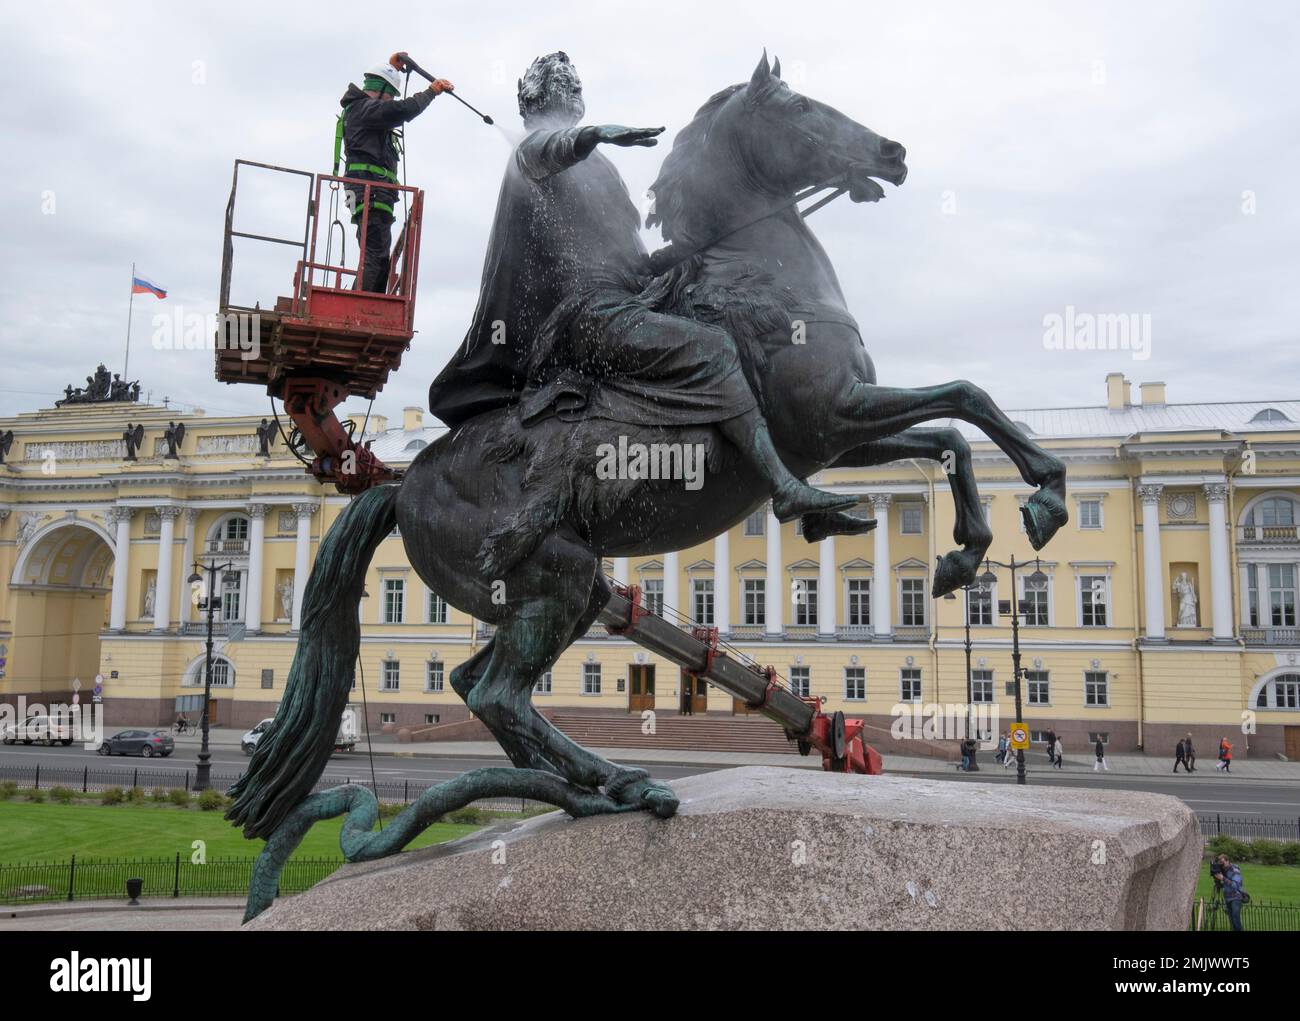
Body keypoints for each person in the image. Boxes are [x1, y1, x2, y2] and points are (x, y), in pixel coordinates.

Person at [425, 51, 855, 536]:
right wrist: (591, 136)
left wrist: (677, 256)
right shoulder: (536, 153)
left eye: (576, 86)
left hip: (629, 298)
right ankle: (783, 487)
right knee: (712, 349)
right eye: (562, 88)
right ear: (539, 101)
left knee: (726, 319)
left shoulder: (598, 167)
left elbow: (628, 257)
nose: (573, 95)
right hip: (588, 314)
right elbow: (539, 154)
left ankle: (792, 470)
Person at [338, 57, 454, 292]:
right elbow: (401, 110)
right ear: (380, 91)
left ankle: (363, 303)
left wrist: (391, 66)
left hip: (373, 194)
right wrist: (431, 92)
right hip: (369, 193)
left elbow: (391, 109)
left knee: (377, 258)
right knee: (375, 257)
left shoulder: (363, 110)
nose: (391, 100)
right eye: (390, 95)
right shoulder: (364, 109)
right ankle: (361, 309)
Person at [1217, 854, 1246, 931]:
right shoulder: (1223, 871)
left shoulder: (1234, 869)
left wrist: (1223, 878)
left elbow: (1236, 885)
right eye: (1220, 863)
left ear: (1227, 861)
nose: (1222, 865)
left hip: (1236, 897)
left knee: (1235, 918)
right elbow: (1225, 885)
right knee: (1232, 921)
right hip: (1227, 898)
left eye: (1223, 862)